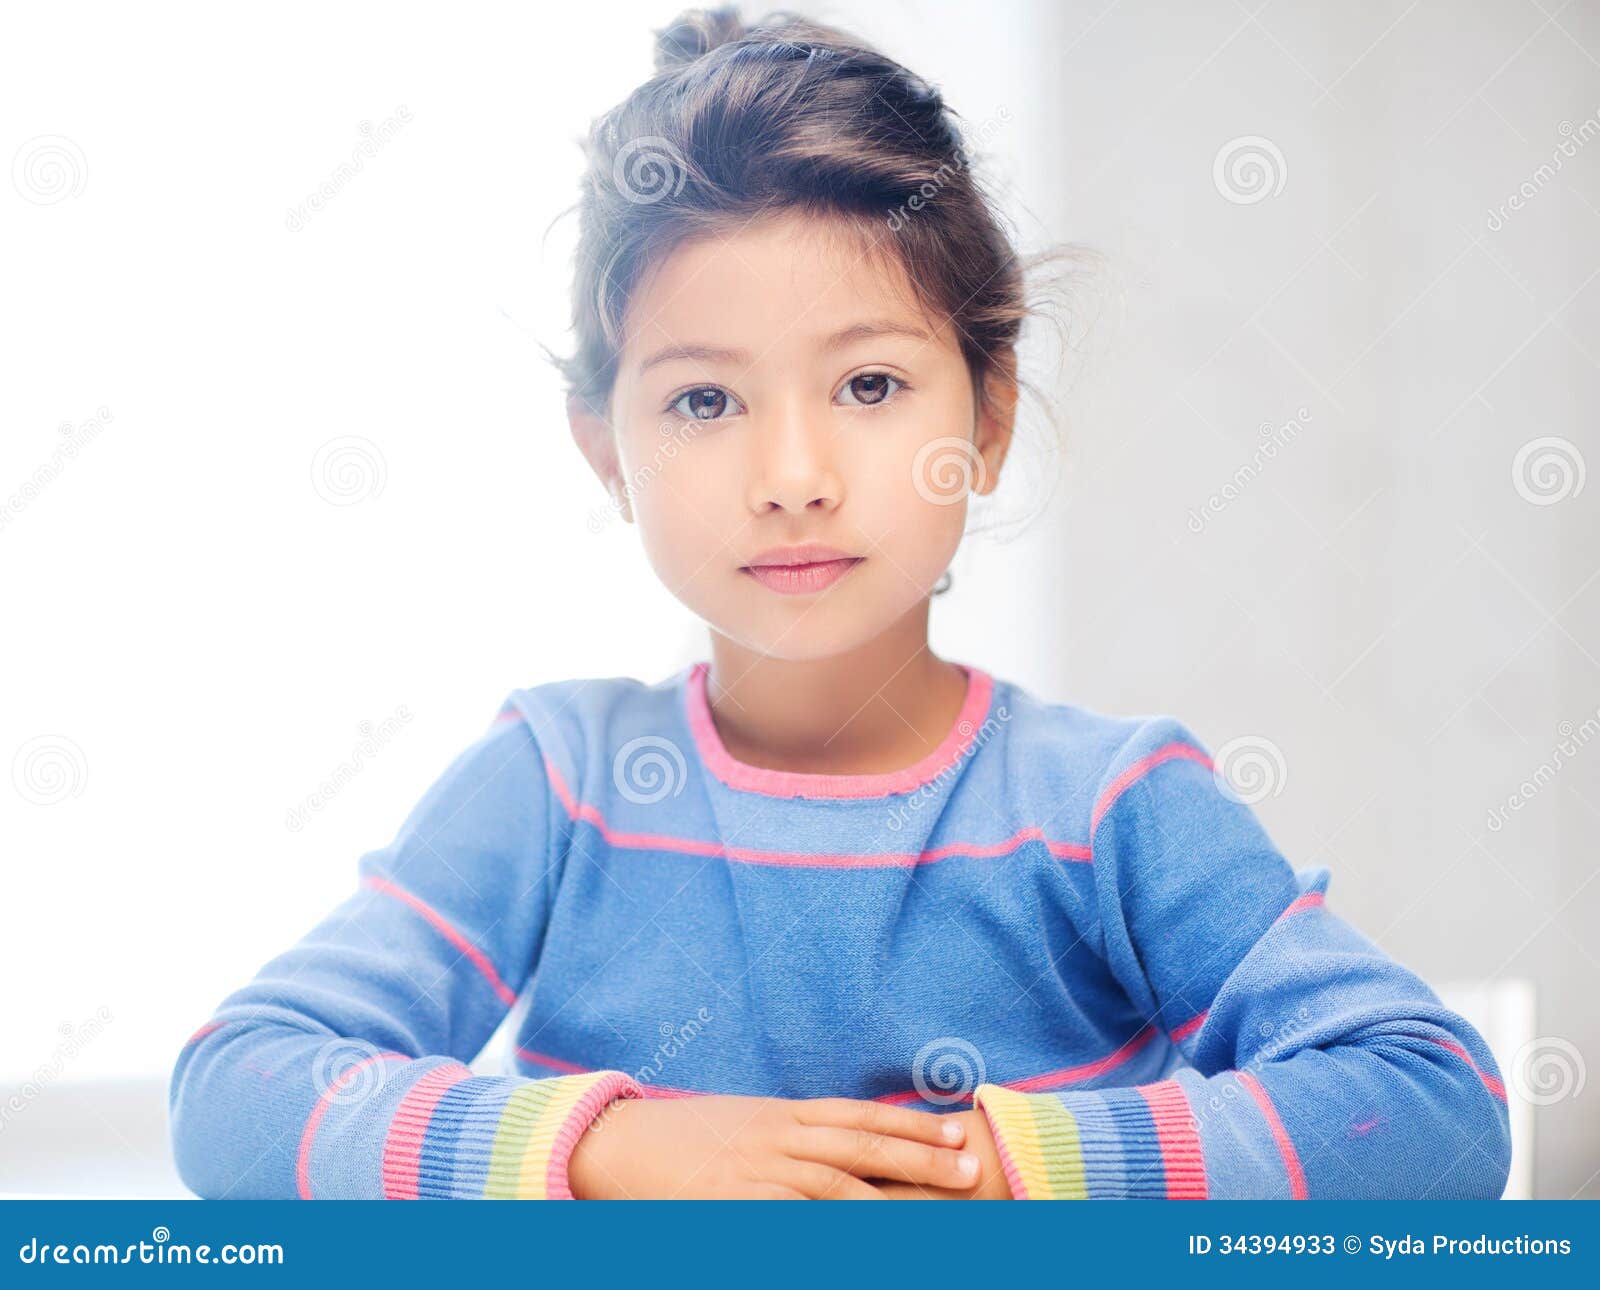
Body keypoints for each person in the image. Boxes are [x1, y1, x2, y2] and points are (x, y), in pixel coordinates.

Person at [169, 6, 1512, 1200]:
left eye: (869, 386)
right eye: (705, 400)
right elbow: (237, 1092)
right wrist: (607, 1149)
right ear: (606, 452)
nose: (793, 477)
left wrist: (1015, 1162)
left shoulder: (1110, 806)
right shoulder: (556, 783)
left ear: (987, 419)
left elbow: (1436, 1110)